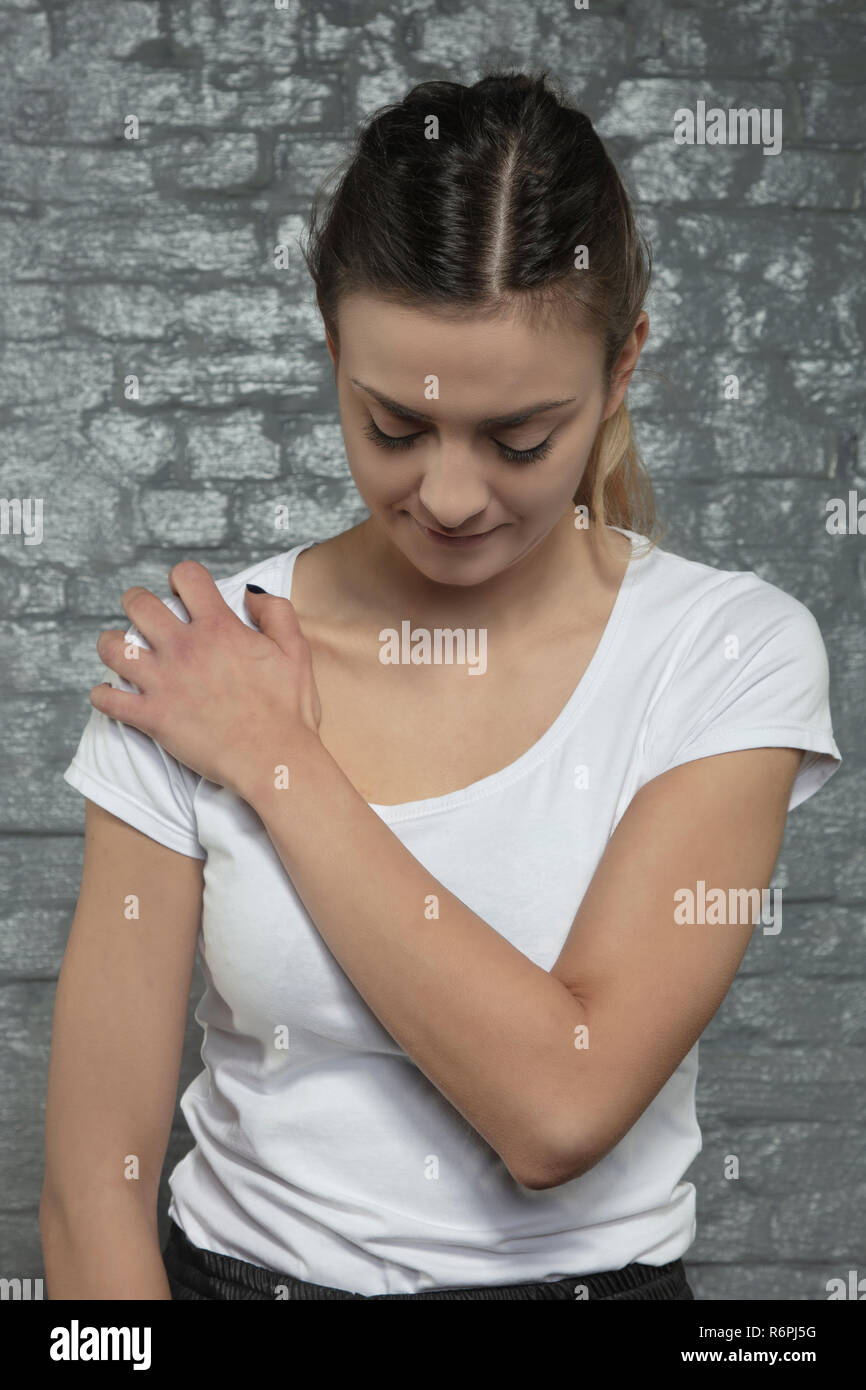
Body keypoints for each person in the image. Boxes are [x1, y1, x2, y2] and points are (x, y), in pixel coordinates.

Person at [41, 70, 841, 1302]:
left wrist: (279, 761)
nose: (452, 496)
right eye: (394, 427)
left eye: (519, 438)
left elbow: (560, 1107)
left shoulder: (726, 653)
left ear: (622, 367)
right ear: (332, 354)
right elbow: (96, 1189)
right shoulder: (200, 659)